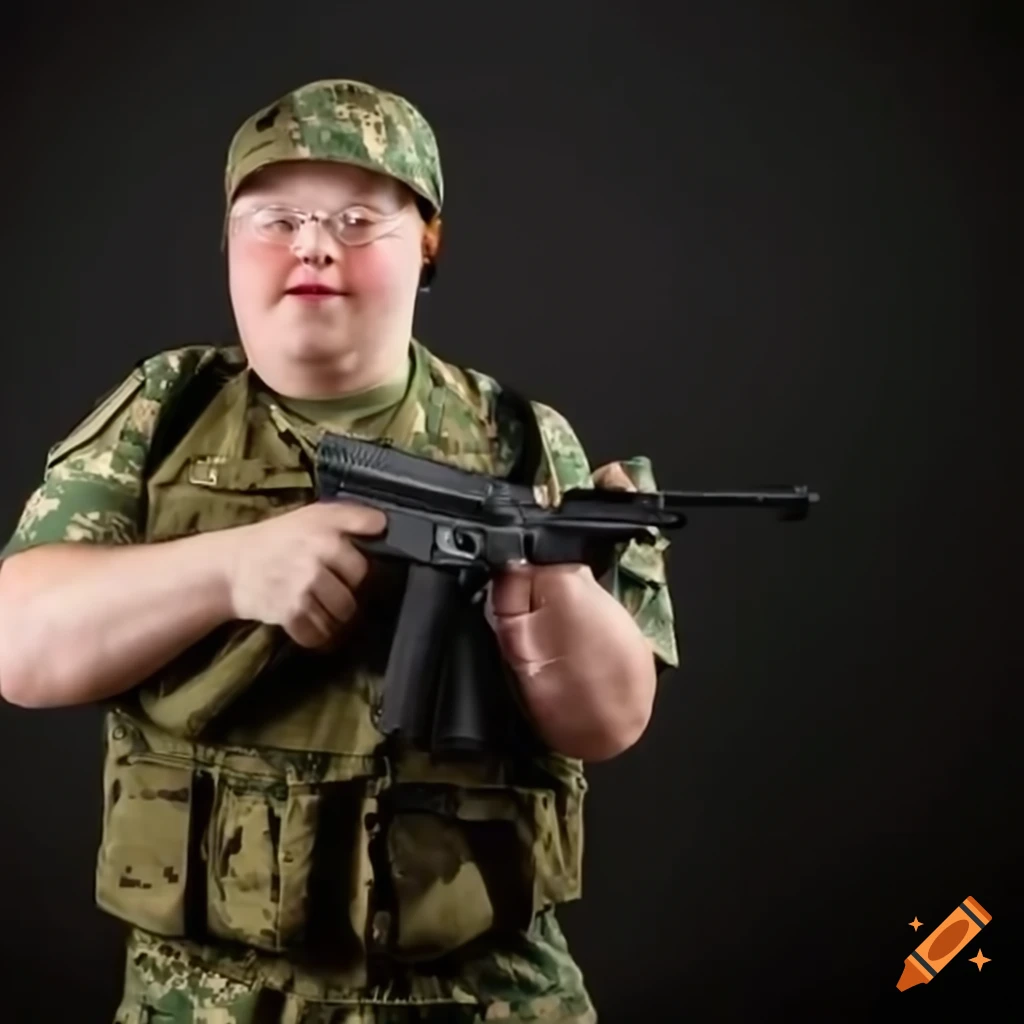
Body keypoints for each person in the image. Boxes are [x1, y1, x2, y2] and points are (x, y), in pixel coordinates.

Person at [0, 78, 678, 1023]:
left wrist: (548, 581)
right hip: (207, 1000)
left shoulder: (520, 440)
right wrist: (233, 568)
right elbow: (20, 648)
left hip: (480, 993)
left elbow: (609, 722)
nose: (314, 244)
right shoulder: (168, 413)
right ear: (230, 245)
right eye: (274, 218)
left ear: (426, 247)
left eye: (361, 219)